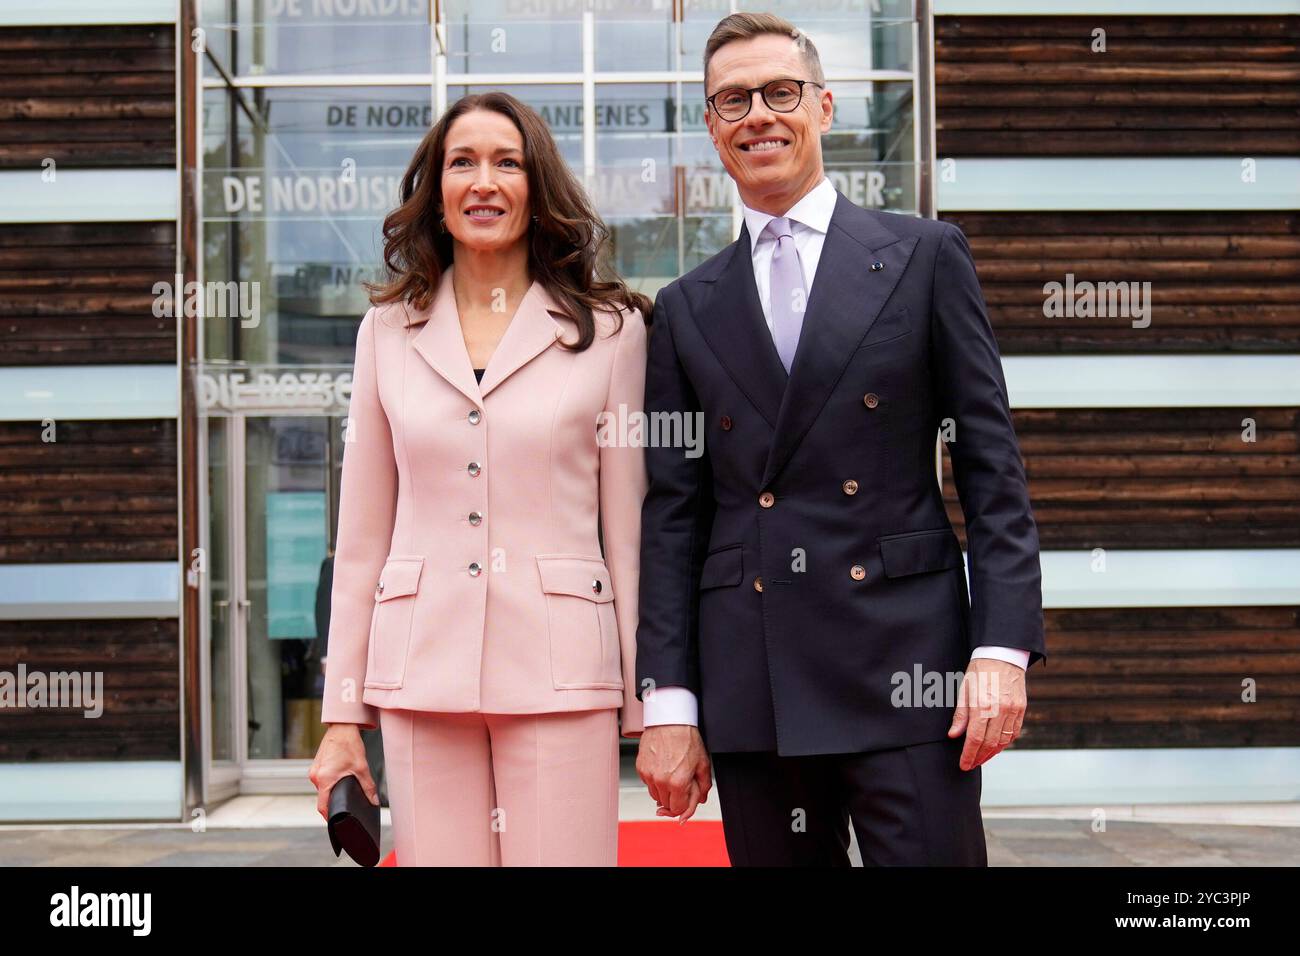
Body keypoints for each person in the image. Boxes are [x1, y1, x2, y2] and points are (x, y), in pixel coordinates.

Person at [634, 12, 1047, 866]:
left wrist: (1001, 648)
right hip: (756, 675)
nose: (759, 115)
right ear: (712, 128)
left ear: (823, 106)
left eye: (780, 92)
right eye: (733, 100)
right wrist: (669, 702)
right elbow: (674, 517)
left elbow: (991, 465)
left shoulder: (924, 255)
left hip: (908, 667)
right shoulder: (682, 309)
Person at [307, 91, 651, 866]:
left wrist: (650, 705)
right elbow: (361, 539)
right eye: (462, 162)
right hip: (420, 673)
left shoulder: (612, 331)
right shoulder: (386, 332)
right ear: (436, 190)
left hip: (563, 674)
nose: (483, 181)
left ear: (539, 189)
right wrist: (342, 716)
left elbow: (629, 534)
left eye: (508, 162)